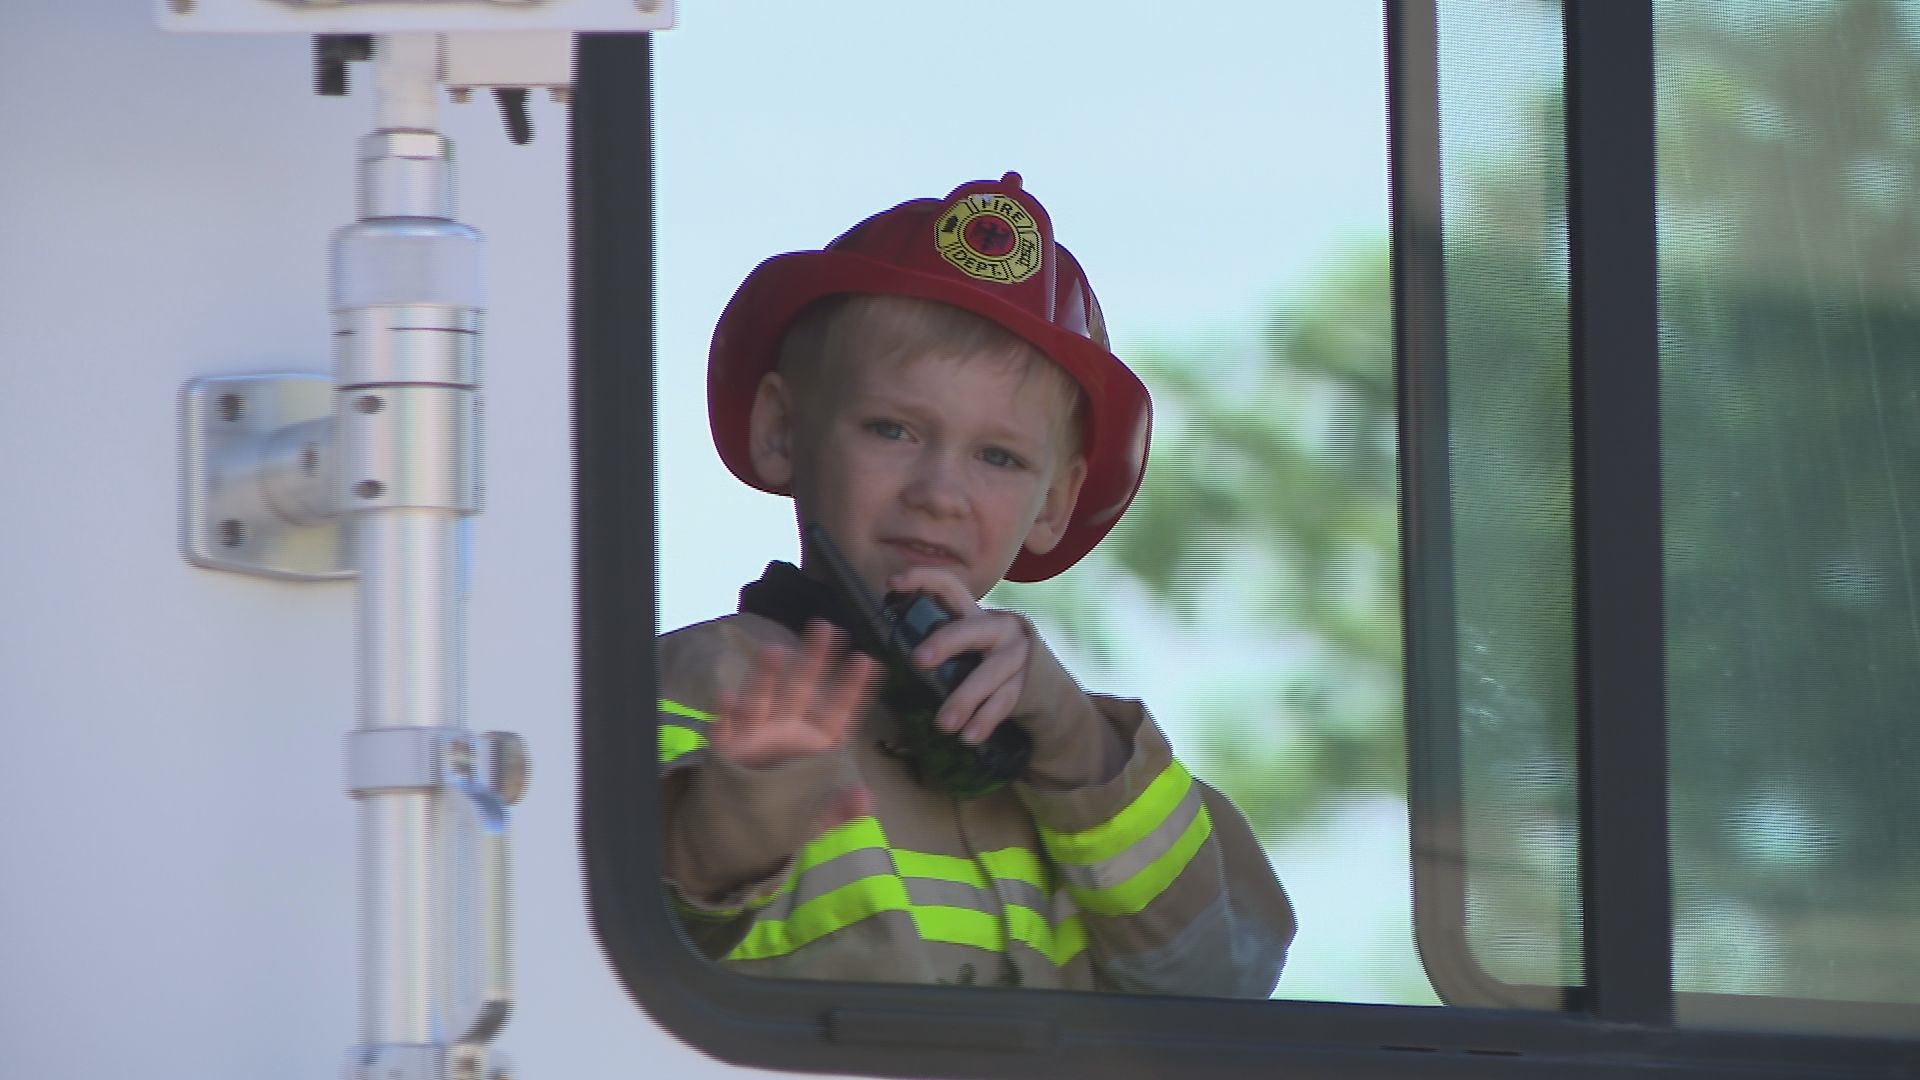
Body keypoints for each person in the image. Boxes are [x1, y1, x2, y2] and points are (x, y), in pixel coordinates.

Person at [657, 173, 1296, 995]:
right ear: (782, 429)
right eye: (892, 429)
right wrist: (734, 822)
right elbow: (600, 959)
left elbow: (1220, 979)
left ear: (1054, 503)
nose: (940, 493)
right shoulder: (698, 684)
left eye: (998, 457)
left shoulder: (1072, 749)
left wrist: (1077, 747)